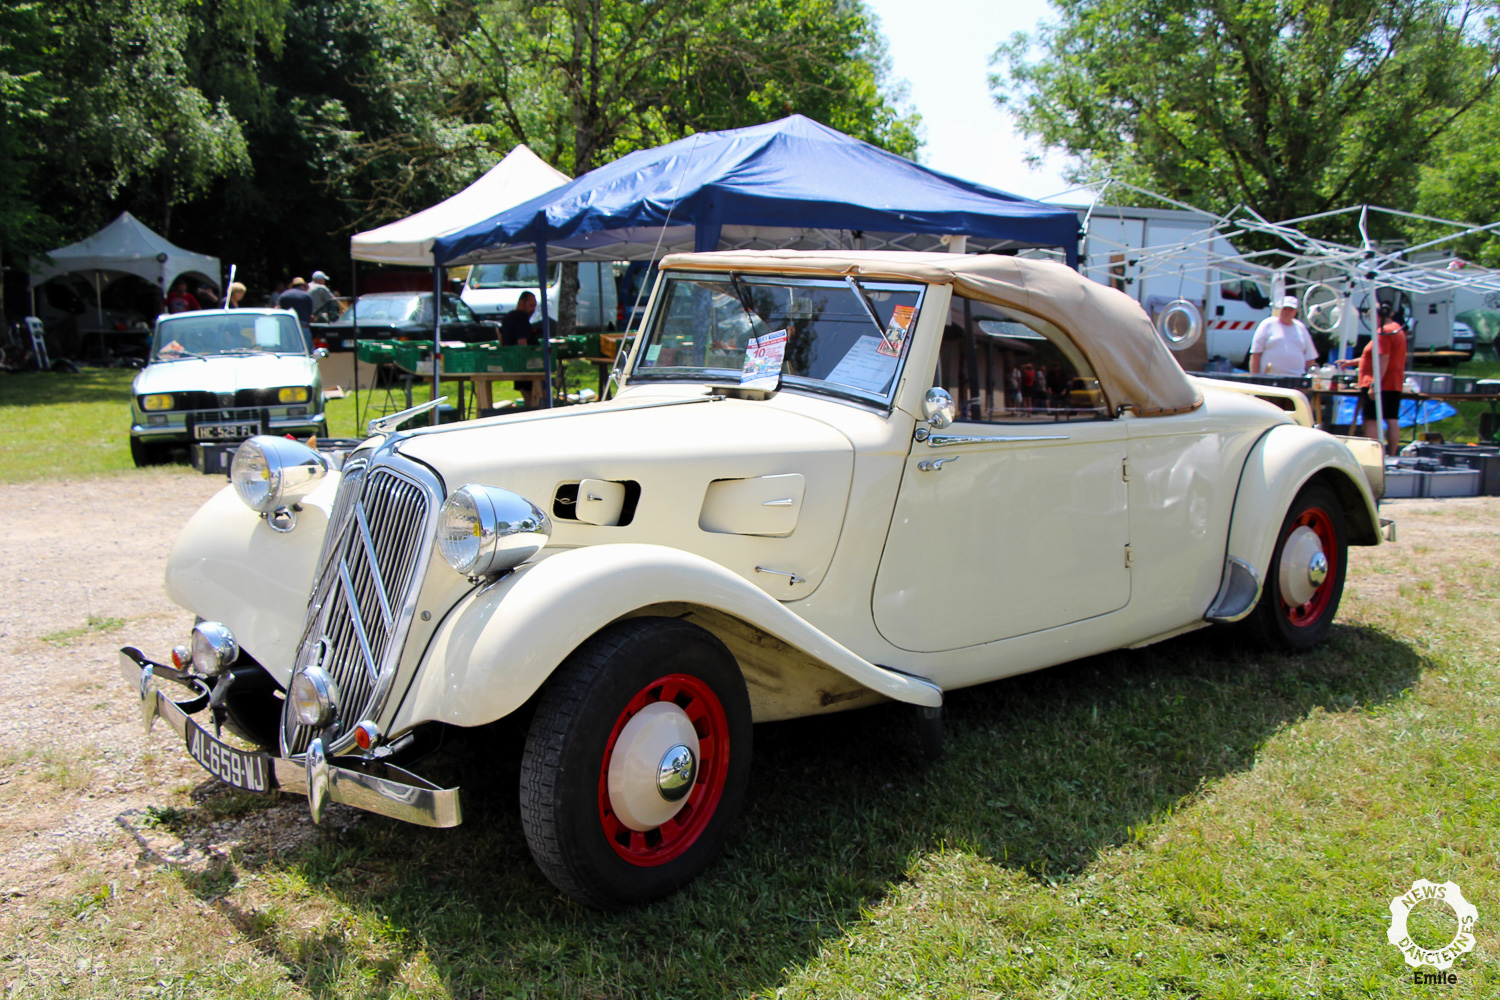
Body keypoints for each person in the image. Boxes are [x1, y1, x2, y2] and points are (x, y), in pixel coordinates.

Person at [1345, 302, 1409, 456]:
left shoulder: (1383, 332)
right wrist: (1351, 363)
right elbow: (1376, 356)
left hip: (1381, 382)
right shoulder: (1397, 329)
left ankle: (1373, 455)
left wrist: (1375, 384)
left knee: (1371, 420)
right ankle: (1392, 453)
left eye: (1370, 317)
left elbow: (1383, 359)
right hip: (1394, 382)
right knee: (1391, 418)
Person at [1249, 295, 1318, 375]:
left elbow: (1310, 357)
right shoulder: (1267, 324)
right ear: (1279, 309)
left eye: (1291, 309)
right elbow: (1255, 354)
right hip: (1270, 377)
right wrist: (1255, 377)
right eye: (1285, 309)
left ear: (1295, 312)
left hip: (1296, 377)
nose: (1287, 312)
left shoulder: (1301, 327)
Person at [279, 276, 315, 349]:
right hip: (303, 326)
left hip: (287, 326)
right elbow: (310, 315)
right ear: (303, 286)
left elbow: (279, 309)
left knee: (287, 349)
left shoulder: (284, 295)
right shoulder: (307, 296)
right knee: (306, 349)